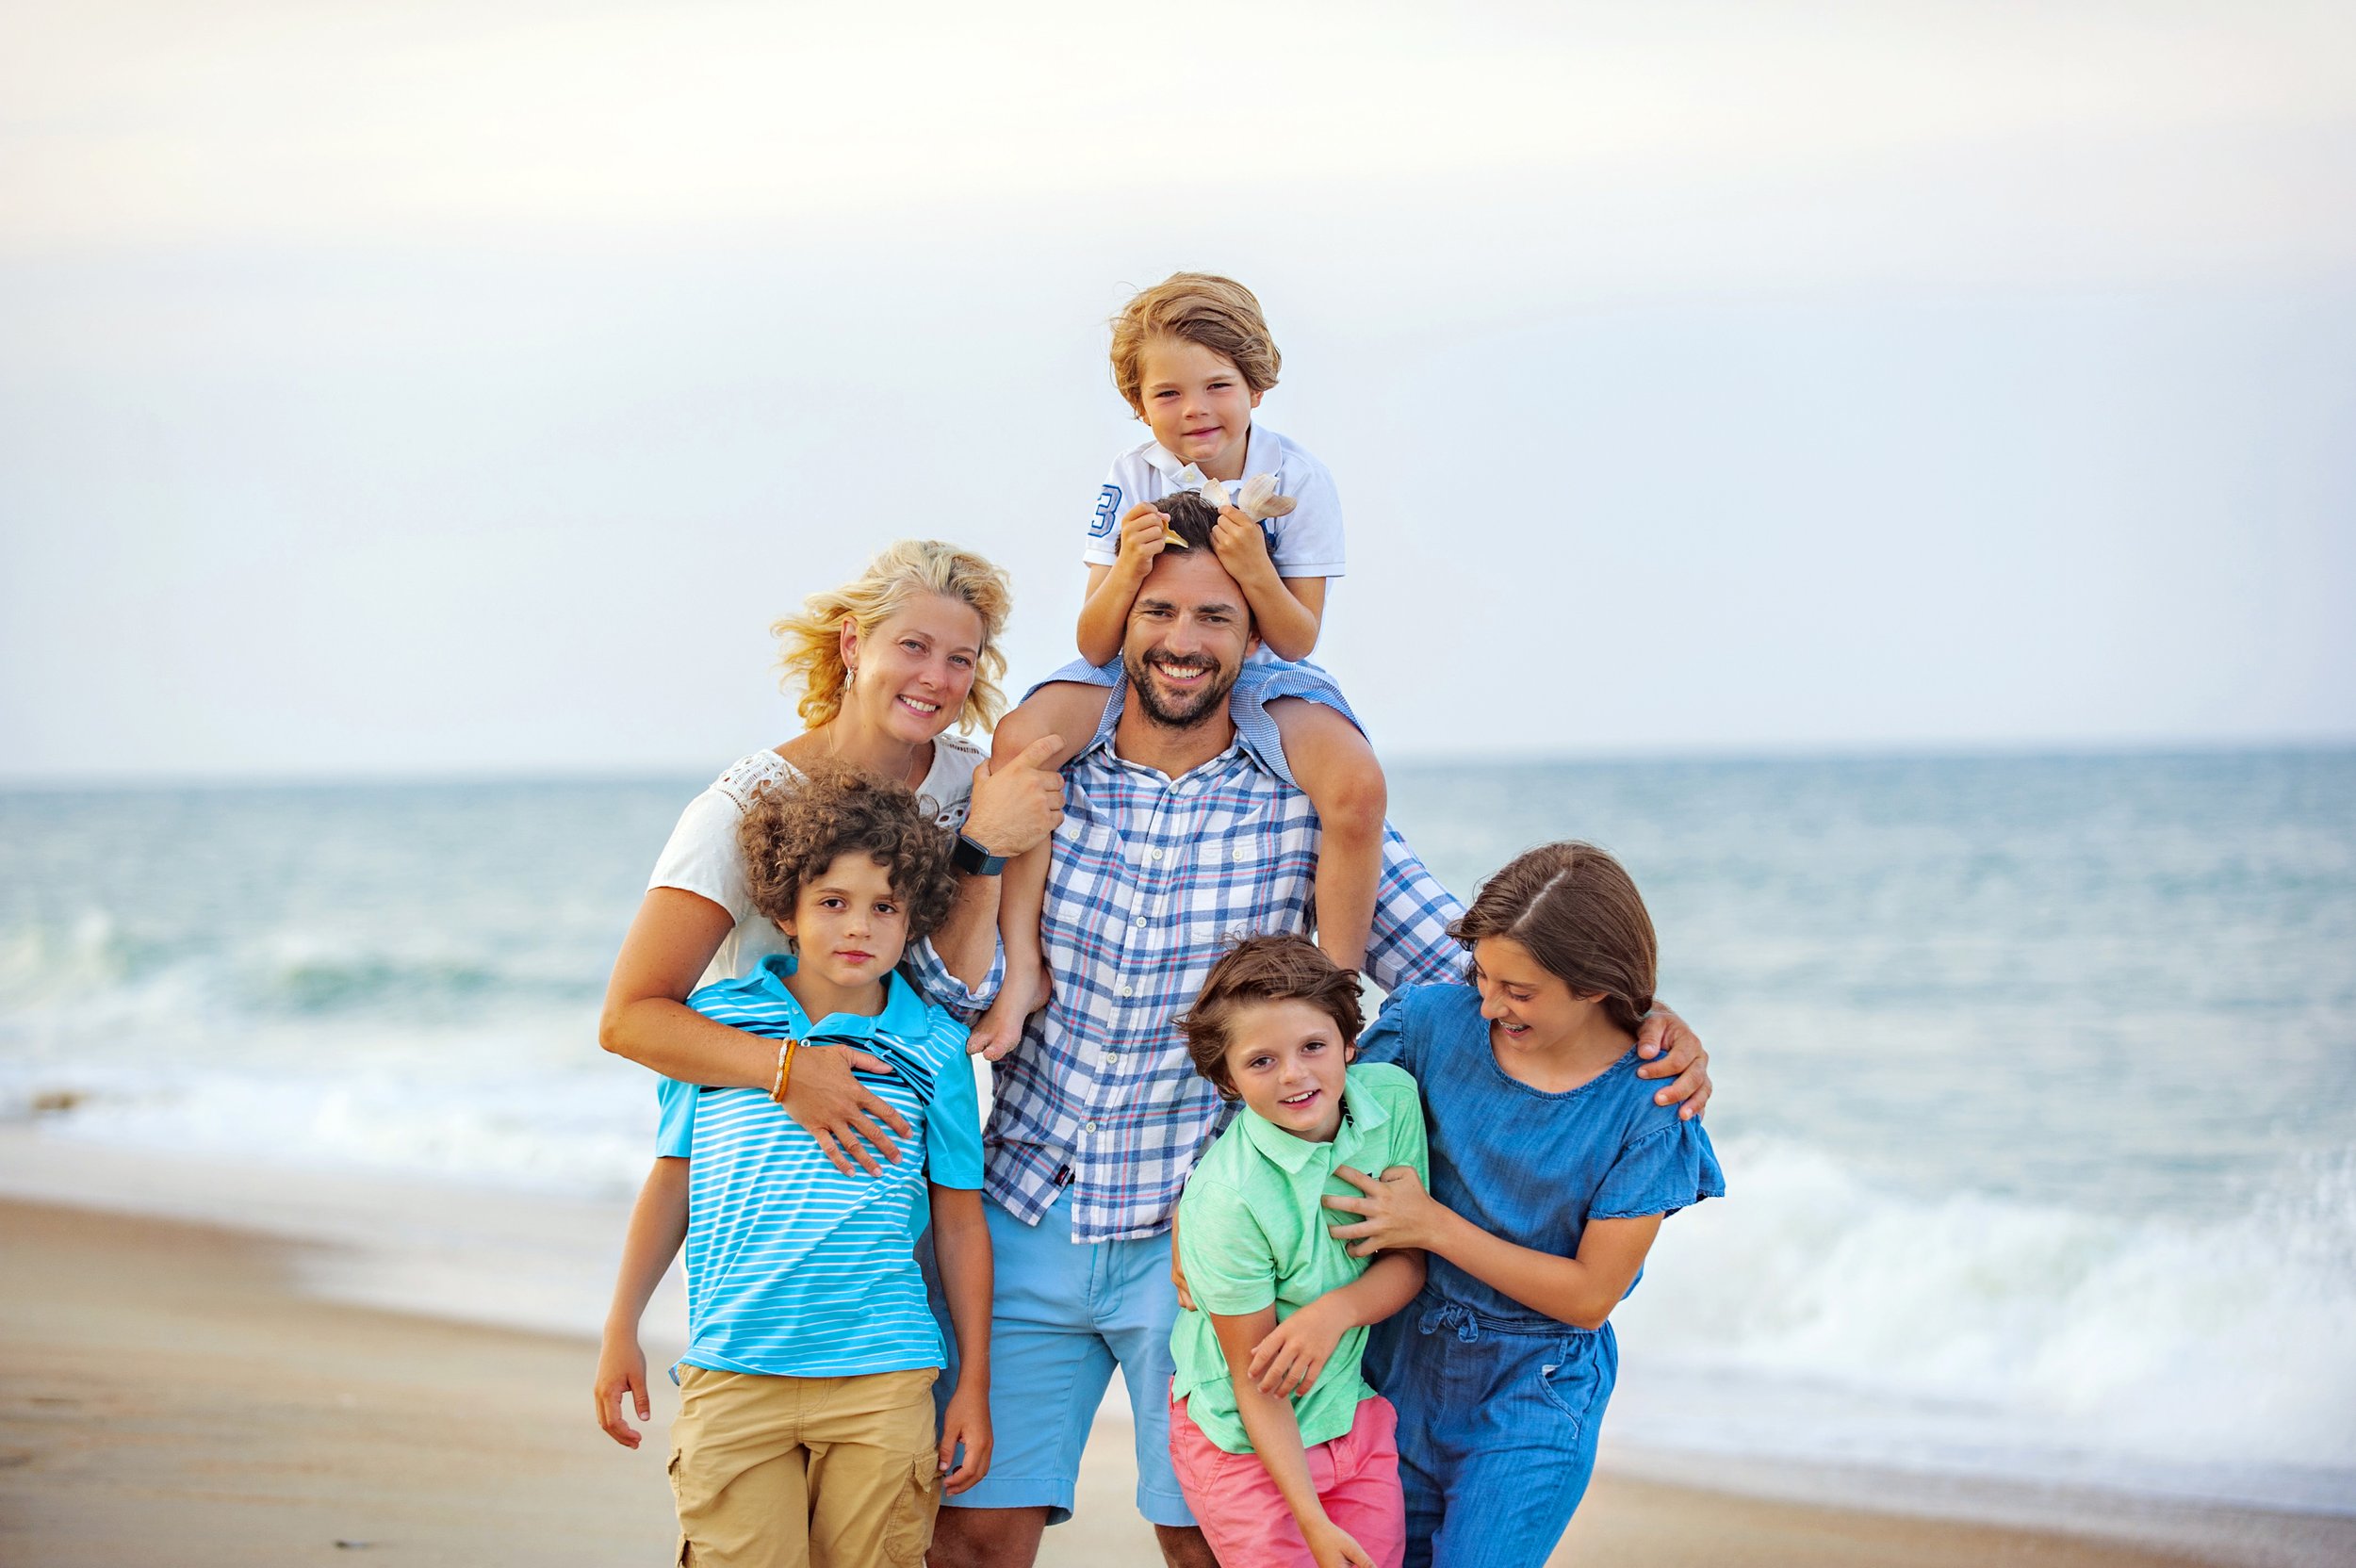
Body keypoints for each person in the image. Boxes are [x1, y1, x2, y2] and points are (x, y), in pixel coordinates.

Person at [925, 500, 1712, 1568]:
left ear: (1257, 640)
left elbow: (1477, 965)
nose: (1184, 639)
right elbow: (924, 976)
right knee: (970, 1537)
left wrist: (1637, 1011)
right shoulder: (1046, 776)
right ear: (1120, 619)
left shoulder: (1311, 803)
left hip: (1204, 1239)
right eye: (1158, 609)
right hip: (1027, 1207)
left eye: (1218, 613)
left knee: (1212, 1542)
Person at [592, 762, 994, 1568]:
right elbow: (673, 1181)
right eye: (833, 903)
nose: (859, 927)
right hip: (735, 1367)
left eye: (884, 907)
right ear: (784, 910)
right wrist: (619, 1329)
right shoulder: (716, 1024)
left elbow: (958, 1220)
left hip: (884, 1378)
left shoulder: (934, 1047)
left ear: (912, 919)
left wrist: (974, 1387)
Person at [973, 273, 1385, 1058]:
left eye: (1217, 386)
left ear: (1258, 388)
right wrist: (1130, 572)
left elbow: (1298, 639)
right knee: (1022, 739)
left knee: (1357, 787)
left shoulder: (1300, 479)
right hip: (1139, 653)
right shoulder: (1130, 475)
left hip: (1256, 660)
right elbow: (1096, 643)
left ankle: (1333, 993)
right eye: (1168, 394)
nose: (1195, 410)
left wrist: (1250, 570)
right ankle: (1023, 964)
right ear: (1137, 403)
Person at [597, 539, 1065, 1175]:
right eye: (913, 646)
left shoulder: (972, 787)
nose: (937, 677)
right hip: (770, 1162)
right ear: (852, 644)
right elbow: (630, 1019)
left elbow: (955, 988)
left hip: (911, 1160)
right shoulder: (740, 808)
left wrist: (986, 866)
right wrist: (792, 1071)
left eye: (961, 659)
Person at [1324, 842, 1726, 1568]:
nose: (1488, 1003)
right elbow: (1315, 1135)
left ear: (1597, 985)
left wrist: (1434, 1226)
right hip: (1392, 1363)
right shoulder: (1427, 1025)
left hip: (1534, 1392)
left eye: (1519, 990)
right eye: (1481, 974)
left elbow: (1588, 1296)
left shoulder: (1650, 1104)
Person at [1167, 935, 1428, 1568]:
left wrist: (1328, 1314)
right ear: (1227, 1078)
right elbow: (1255, 1384)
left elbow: (1409, 1257)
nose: (1294, 1074)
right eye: (1260, 1061)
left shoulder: (1390, 1099)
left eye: (1313, 1045)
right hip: (1245, 1441)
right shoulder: (1228, 1199)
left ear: (1348, 1042)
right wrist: (1310, 1522)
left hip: (1349, 1415)